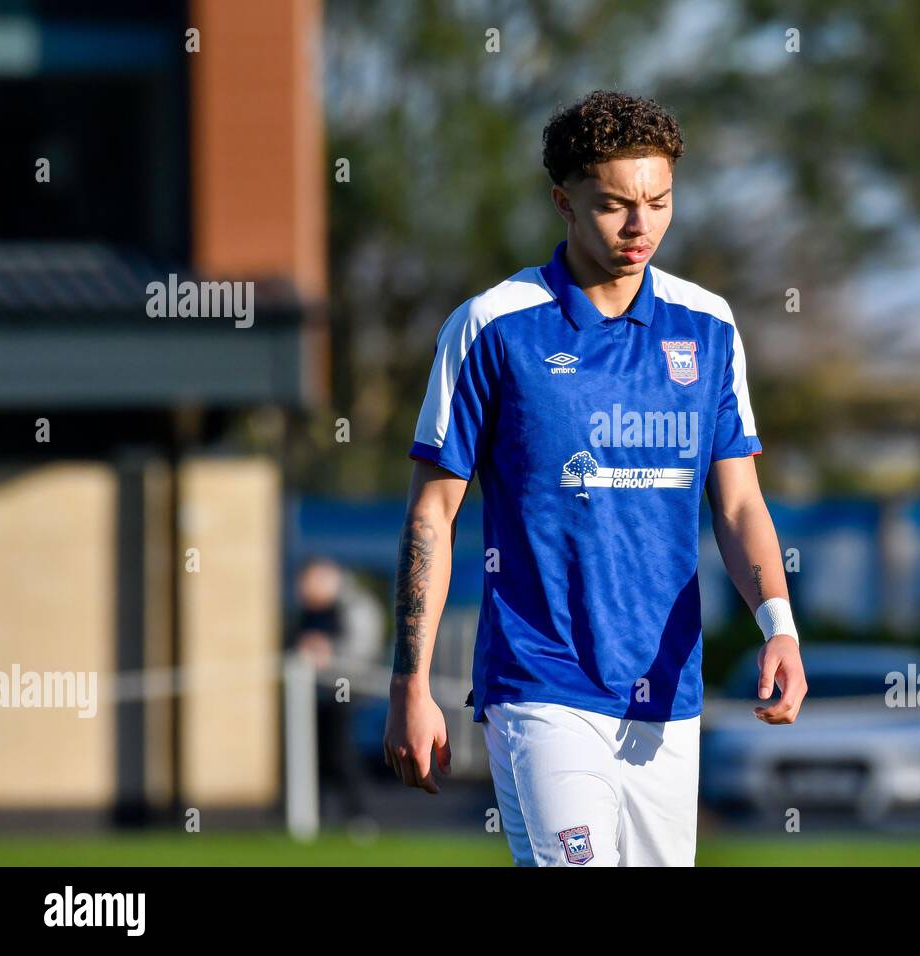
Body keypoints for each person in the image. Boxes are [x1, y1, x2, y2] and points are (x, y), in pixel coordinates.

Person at [383, 89, 808, 866]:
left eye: (658, 202)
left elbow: (740, 502)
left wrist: (778, 626)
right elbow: (431, 519)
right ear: (564, 203)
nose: (640, 226)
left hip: (667, 693)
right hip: (541, 685)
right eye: (614, 206)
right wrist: (410, 685)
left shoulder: (708, 326)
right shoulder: (492, 325)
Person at [293, 557, 383, 832]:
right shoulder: (312, 610)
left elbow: (361, 651)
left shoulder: (355, 606)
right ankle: (310, 817)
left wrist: (327, 654)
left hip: (345, 692)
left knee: (341, 751)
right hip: (314, 692)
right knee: (312, 752)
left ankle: (359, 817)